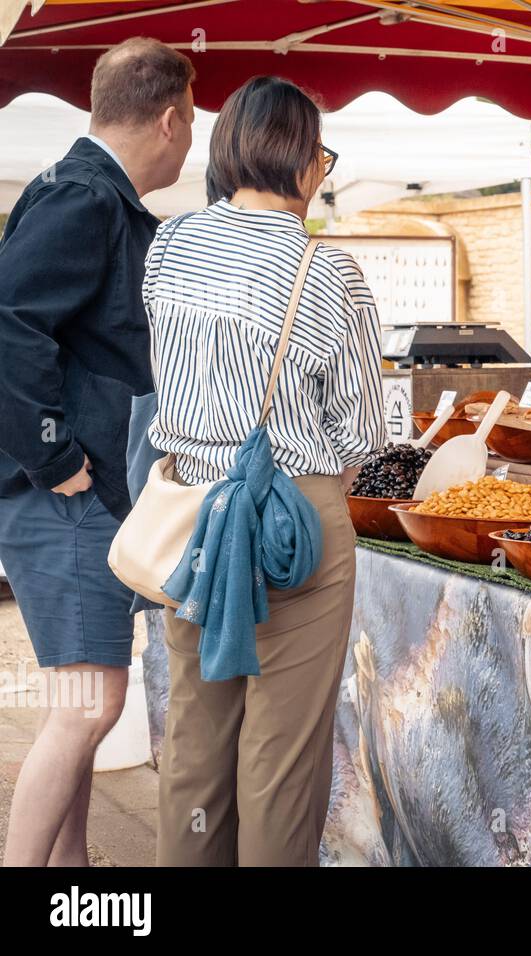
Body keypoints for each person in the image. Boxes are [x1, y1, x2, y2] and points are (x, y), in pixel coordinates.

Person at [149, 76, 384, 866]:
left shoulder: (169, 244)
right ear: (303, 161)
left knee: (195, 739)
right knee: (280, 760)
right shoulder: (328, 271)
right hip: (297, 520)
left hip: (192, 512)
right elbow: (358, 433)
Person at [0, 39, 195, 867]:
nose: (192, 140)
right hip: (66, 502)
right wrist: (58, 460)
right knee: (87, 704)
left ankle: (70, 874)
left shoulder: (81, 191)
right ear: (169, 117)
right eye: (192, 122)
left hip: (77, 501)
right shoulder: (83, 196)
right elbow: (8, 325)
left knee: (81, 704)